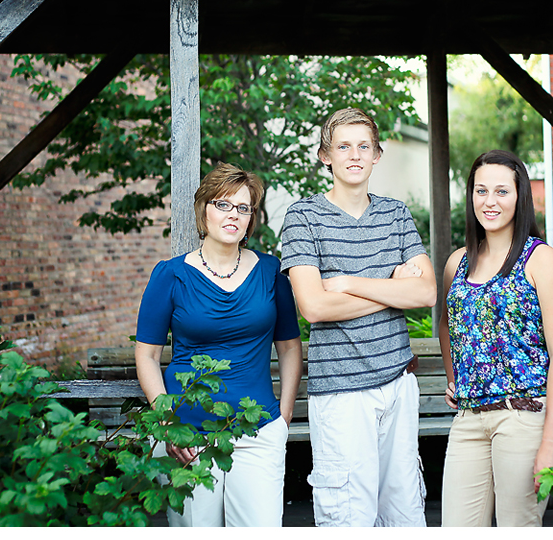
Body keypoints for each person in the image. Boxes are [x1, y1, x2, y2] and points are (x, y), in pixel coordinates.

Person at [280, 107, 436, 527]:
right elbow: (313, 306)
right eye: (343, 146)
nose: (354, 155)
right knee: (348, 517)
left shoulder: (395, 214)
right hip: (342, 392)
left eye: (363, 146)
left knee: (405, 514)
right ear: (324, 156)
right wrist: (391, 287)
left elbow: (425, 291)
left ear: (377, 155)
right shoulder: (303, 217)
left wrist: (348, 281)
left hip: (398, 386)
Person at [135, 163, 303, 527]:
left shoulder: (271, 273)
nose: (234, 215)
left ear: (251, 219)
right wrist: (166, 424)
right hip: (187, 436)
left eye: (243, 208)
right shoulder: (170, 274)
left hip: (258, 430)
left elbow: (290, 347)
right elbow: (146, 355)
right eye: (223, 204)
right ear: (203, 210)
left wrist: (284, 418)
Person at [437, 150, 553, 527]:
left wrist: (551, 440)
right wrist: (455, 377)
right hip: (469, 419)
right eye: (481, 191)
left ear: (520, 196)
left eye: (501, 191)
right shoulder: (458, 262)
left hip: (526, 417)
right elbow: (447, 325)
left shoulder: (540, 259)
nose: (489, 201)